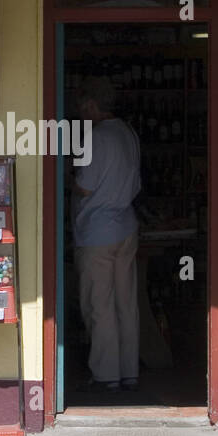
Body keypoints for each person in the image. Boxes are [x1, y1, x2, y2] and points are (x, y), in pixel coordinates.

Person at [72, 76, 142, 391]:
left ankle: (106, 375)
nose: (80, 112)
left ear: (92, 104)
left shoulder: (95, 138)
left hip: (97, 232)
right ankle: (129, 371)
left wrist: (67, 179)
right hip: (127, 225)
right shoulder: (129, 133)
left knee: (99, 305)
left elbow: (85, 186)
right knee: (126, 303)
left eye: (82, 106)